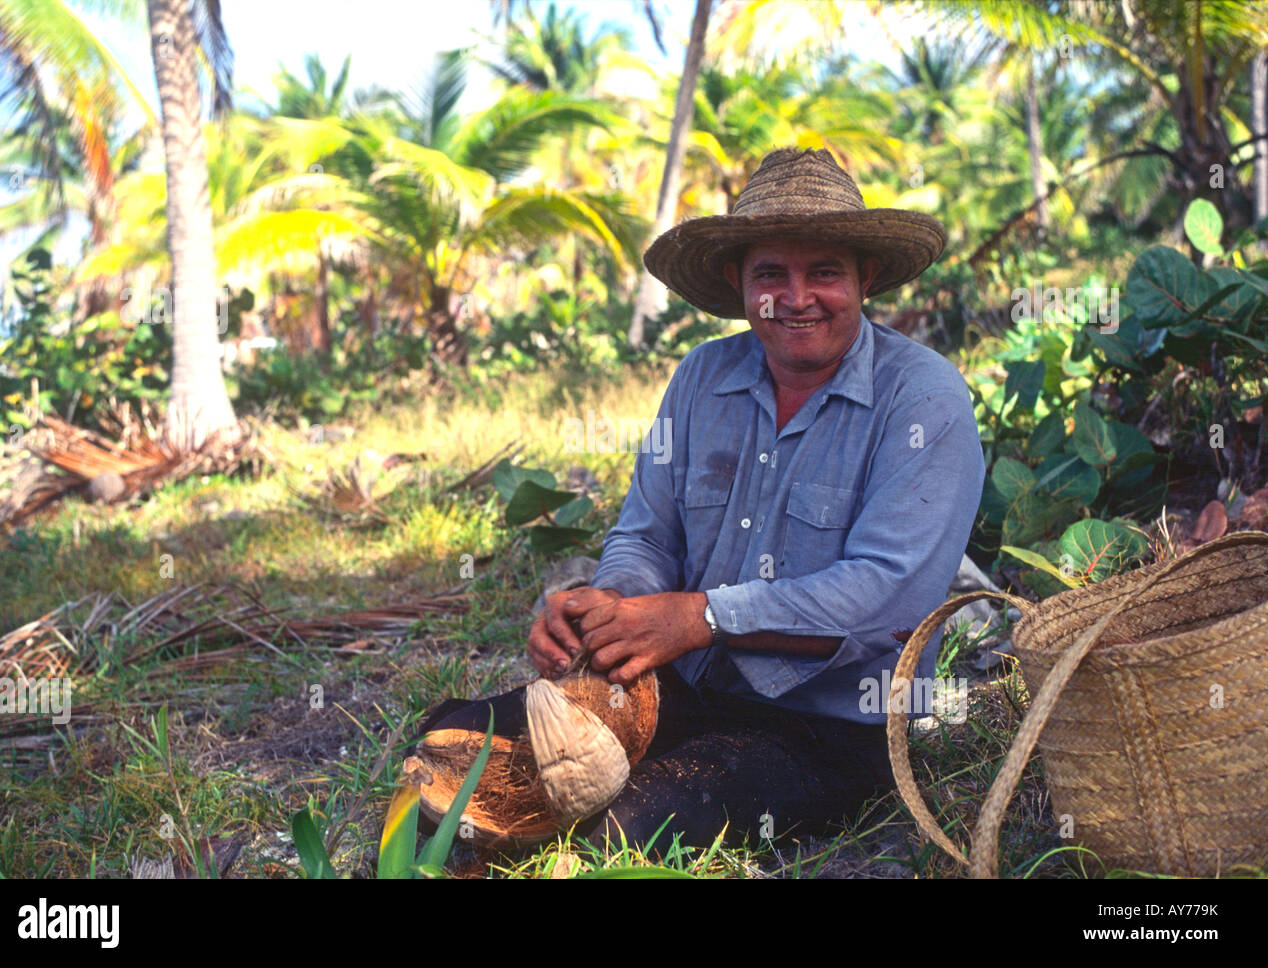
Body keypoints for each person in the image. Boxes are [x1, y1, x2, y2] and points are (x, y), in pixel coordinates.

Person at [415, 147, 986, 853]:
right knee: (451, 748)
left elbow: (890, 596)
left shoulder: (924, 397)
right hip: (674, 691)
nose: (798, 296)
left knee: (630, 826)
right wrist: (609, 610)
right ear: (737, 281)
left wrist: (705, 616)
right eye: (771, 273)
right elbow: (647, 534)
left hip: (834, 725)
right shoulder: (701, 377)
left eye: (826, 272)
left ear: (865, 277)